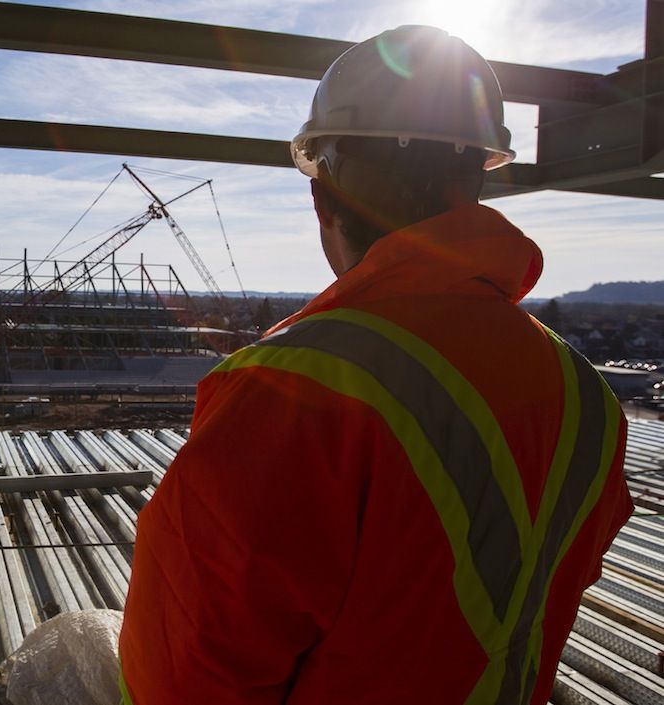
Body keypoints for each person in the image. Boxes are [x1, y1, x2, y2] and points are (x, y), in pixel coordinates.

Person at [118, 25, 633, 705]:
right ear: (476, 179)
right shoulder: (585, 396)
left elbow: (183, 673)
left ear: (323, 196)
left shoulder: (290, 387)